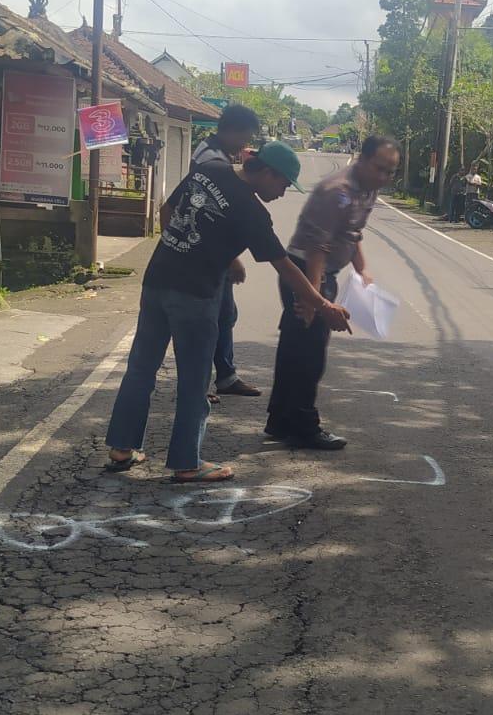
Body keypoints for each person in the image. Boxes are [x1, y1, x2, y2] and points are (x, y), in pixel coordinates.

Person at [109, 141, 350, 482]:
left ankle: (122, 447)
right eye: (283, 184)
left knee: (141, 368)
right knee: (194, 381)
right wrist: (324, 305)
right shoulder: (250, 211)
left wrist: (193, 252)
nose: (282, 193)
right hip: (195, 295)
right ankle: (186, 463)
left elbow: (167, 211)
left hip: (157, 280)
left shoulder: (210, 169)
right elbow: (285, 266)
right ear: (267, 172)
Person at [266, 136, 401, 451]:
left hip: (323, 271)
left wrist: (361, 270)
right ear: (363, 159)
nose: (384, 177)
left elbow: (352, 232)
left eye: (391, 172)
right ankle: (303, 425)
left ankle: (280, 420)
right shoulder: (336, 192)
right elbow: (317, 248)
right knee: (310, 354)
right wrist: (316, 300)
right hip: (307, 272)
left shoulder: (367, 189)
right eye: (380, 168)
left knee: (293, 347)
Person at [177, 104, 264, 401]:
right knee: (208, 321)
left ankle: (225, 376)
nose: (245, 145)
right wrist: (233, 259)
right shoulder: (210, 161)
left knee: (224, 314)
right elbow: (210, 217)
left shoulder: (216, 154)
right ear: (232, 131)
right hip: (204, 256)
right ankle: (200, 384)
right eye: (245, 136)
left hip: (209, 254)